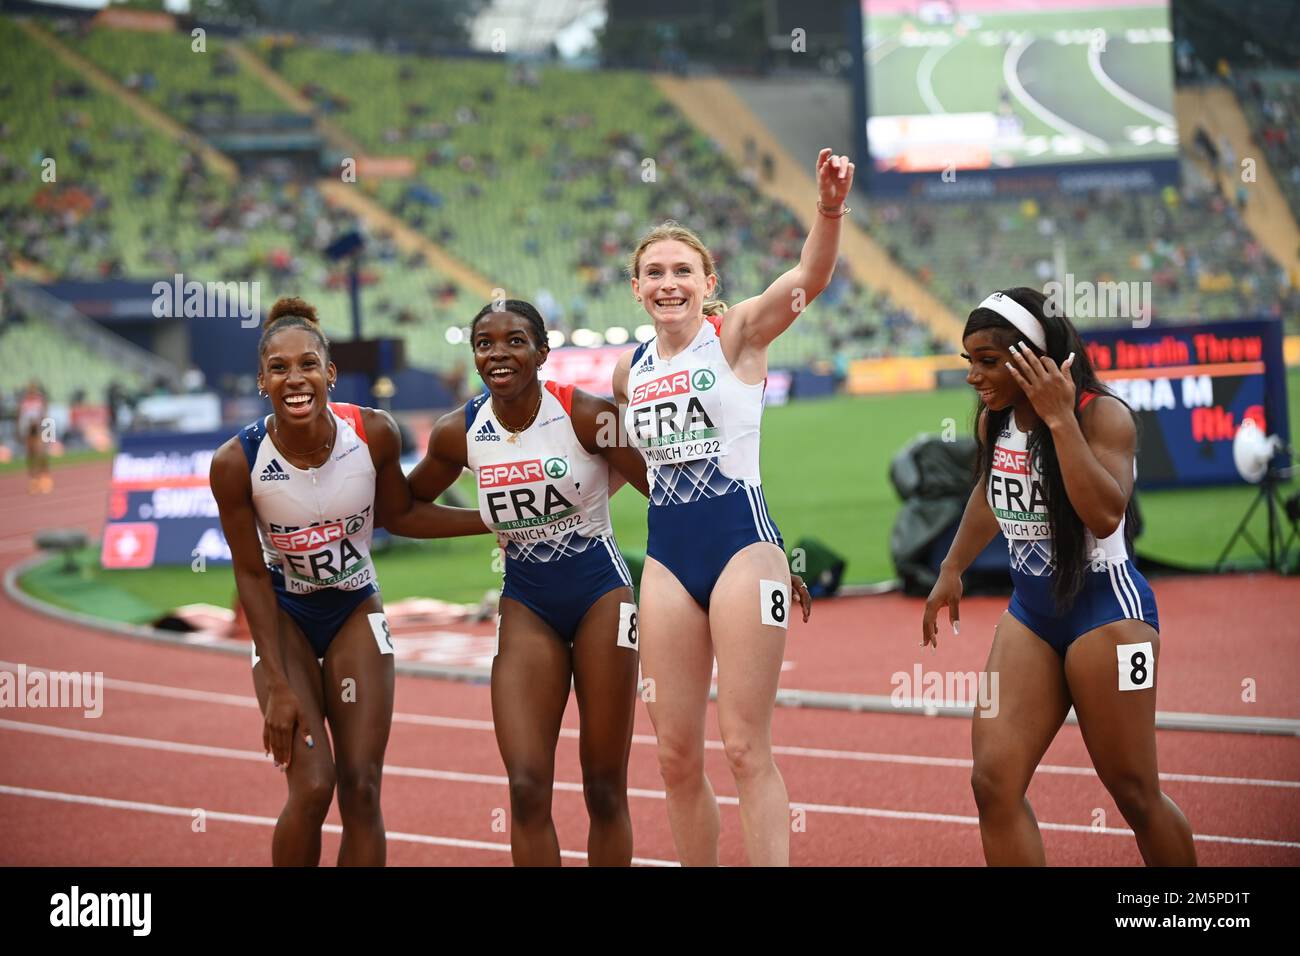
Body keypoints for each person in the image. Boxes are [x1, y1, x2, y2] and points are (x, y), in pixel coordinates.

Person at [383, 298, 815, 865]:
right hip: (526, 601)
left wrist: (763, 551)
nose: (499, 354)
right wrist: (488, 520)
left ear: (542, 352)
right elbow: (404, 510)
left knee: (604, 787)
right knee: (527, 788)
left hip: (600, 596)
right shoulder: (457, 433)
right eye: (485, 344)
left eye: (515, 341)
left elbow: (665, 486)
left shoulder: (587, 416)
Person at [612, 148, 852, 866]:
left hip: (743, 553)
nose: (669, 283)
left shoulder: (737, 334)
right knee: (675, 756)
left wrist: (830, 209)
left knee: (746, 747)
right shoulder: (631, 369)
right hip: (666, 564)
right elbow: (643, 465)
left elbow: (809, 277)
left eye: (682, 270)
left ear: (707, 281)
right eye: (655, 272)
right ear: (636, 288)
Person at [922, 287, 1196, 866]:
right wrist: (951, 568)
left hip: (1108, 615)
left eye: (989, 362)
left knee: (1134, 794)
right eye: (969, 361)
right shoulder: (994, 422)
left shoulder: (1102, 414)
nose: (974, 376)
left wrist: (1058, 417)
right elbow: (990, 493)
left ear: (1034, 357)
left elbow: (1104, 512)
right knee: (993, 783)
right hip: (1033, 613)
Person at [210, 296, 481, 866]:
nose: (295, 379)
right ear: (262, 380)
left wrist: (489, 519)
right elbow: (250, 574)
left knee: (361, 790)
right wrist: (279, 683)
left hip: (357, 608)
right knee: (312, 788)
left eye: (308, 364)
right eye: (279, 368)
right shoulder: (236, 463)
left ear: (329, 372)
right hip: (285, 618)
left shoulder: (375, 433)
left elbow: (400, 515)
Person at [19, 381, 51, 494]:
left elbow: (45, 415)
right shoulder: (24, 401)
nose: (32, 390)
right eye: (30, 388)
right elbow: (20, 416)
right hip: (28, 430)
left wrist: (45, 431)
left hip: (39, 429)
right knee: (30, 456)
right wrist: (19, 430)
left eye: (33, 388)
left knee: (41, 455)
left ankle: (45, 479)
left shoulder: (40, 400)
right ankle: (33, 481)